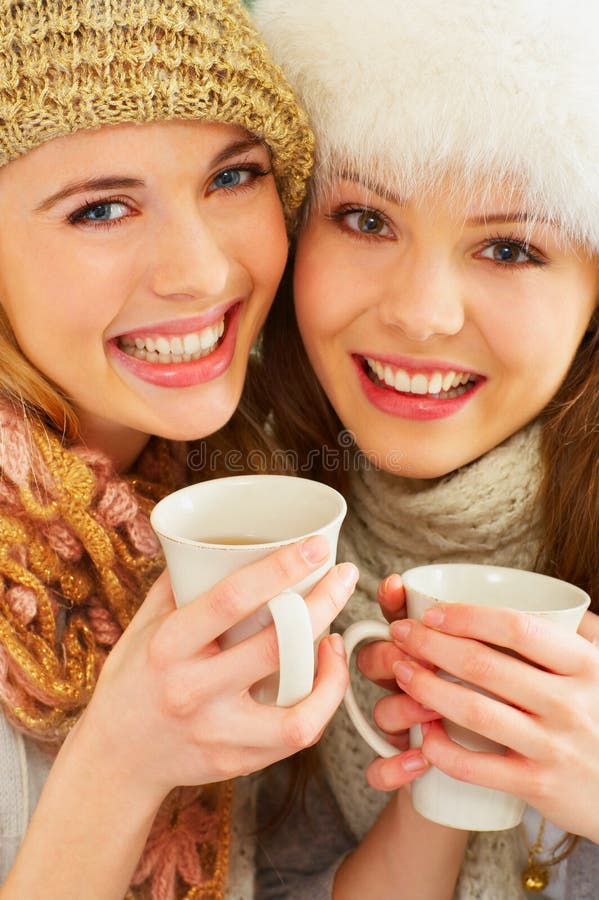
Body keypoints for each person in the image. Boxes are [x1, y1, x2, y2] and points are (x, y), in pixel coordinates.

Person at [0, 2, 358, 897]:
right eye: (102, 208)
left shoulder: (229, 479)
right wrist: (120, 760)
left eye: (233, 177)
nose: (199, 270)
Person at [251, 0, 599, 897]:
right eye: (366, 219)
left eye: (509, 247)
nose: (420, 313)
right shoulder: (256, 529)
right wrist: (449, 755)